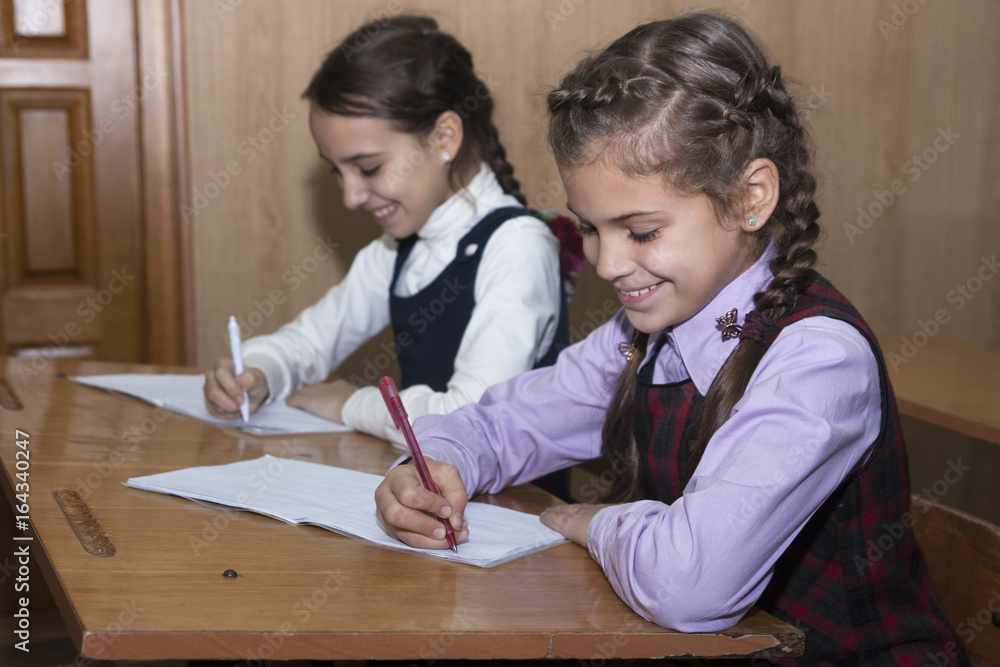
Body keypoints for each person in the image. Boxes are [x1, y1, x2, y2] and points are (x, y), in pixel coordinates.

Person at [374, 11, 968, 665]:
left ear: (751, 196)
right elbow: (506, 420)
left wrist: (588, 521)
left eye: (642, 230)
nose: (605, 264)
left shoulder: (819, 359)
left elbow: (691, 582)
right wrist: (434, 466)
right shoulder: (642, 335)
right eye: (592, 228)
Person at [203, 15, 574, 449]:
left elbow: (470, 418)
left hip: (512, 507)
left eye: (368, 168)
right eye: (337, 171)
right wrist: (258, 372)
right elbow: (311, 341)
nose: (350, 196)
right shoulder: (398, 249)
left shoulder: (519, 247)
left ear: (444, 137)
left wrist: (350, 404)